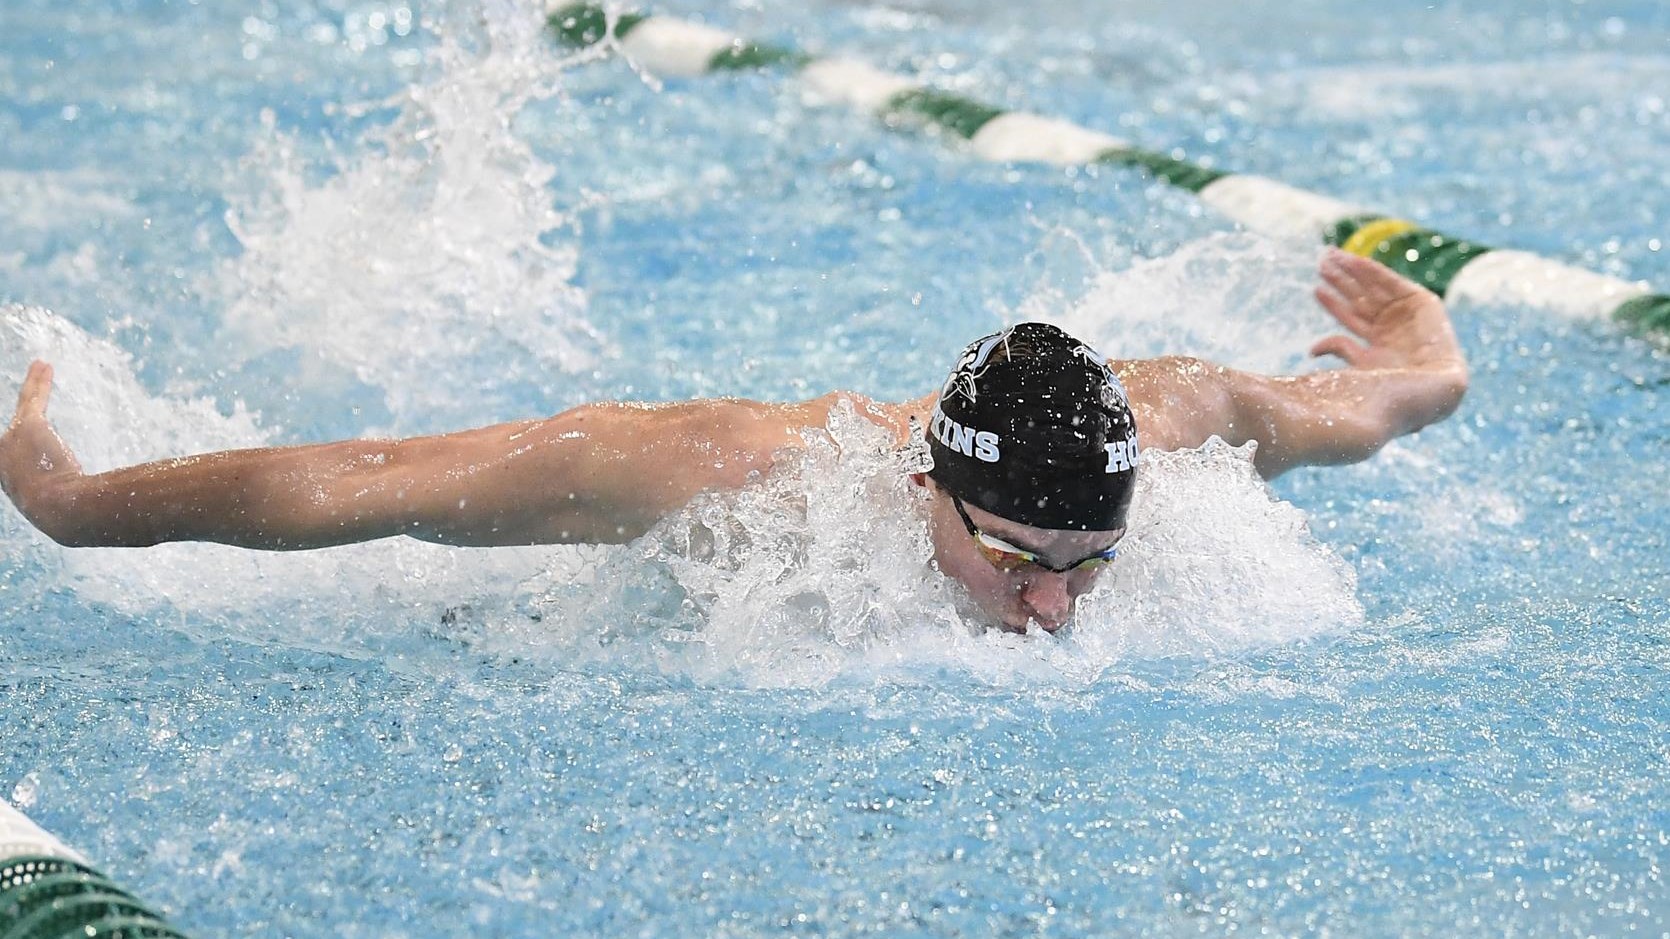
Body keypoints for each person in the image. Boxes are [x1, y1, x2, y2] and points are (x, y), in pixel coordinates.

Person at [0, 248, 1467, 633]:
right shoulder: (733, 474)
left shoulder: (1178, 430)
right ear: (922, 488)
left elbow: (1380, 403)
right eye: (1021, 561)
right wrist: (68, 500)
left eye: (1092, 566)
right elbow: (354, 486)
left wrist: (1422, 349)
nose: (1052, 611)